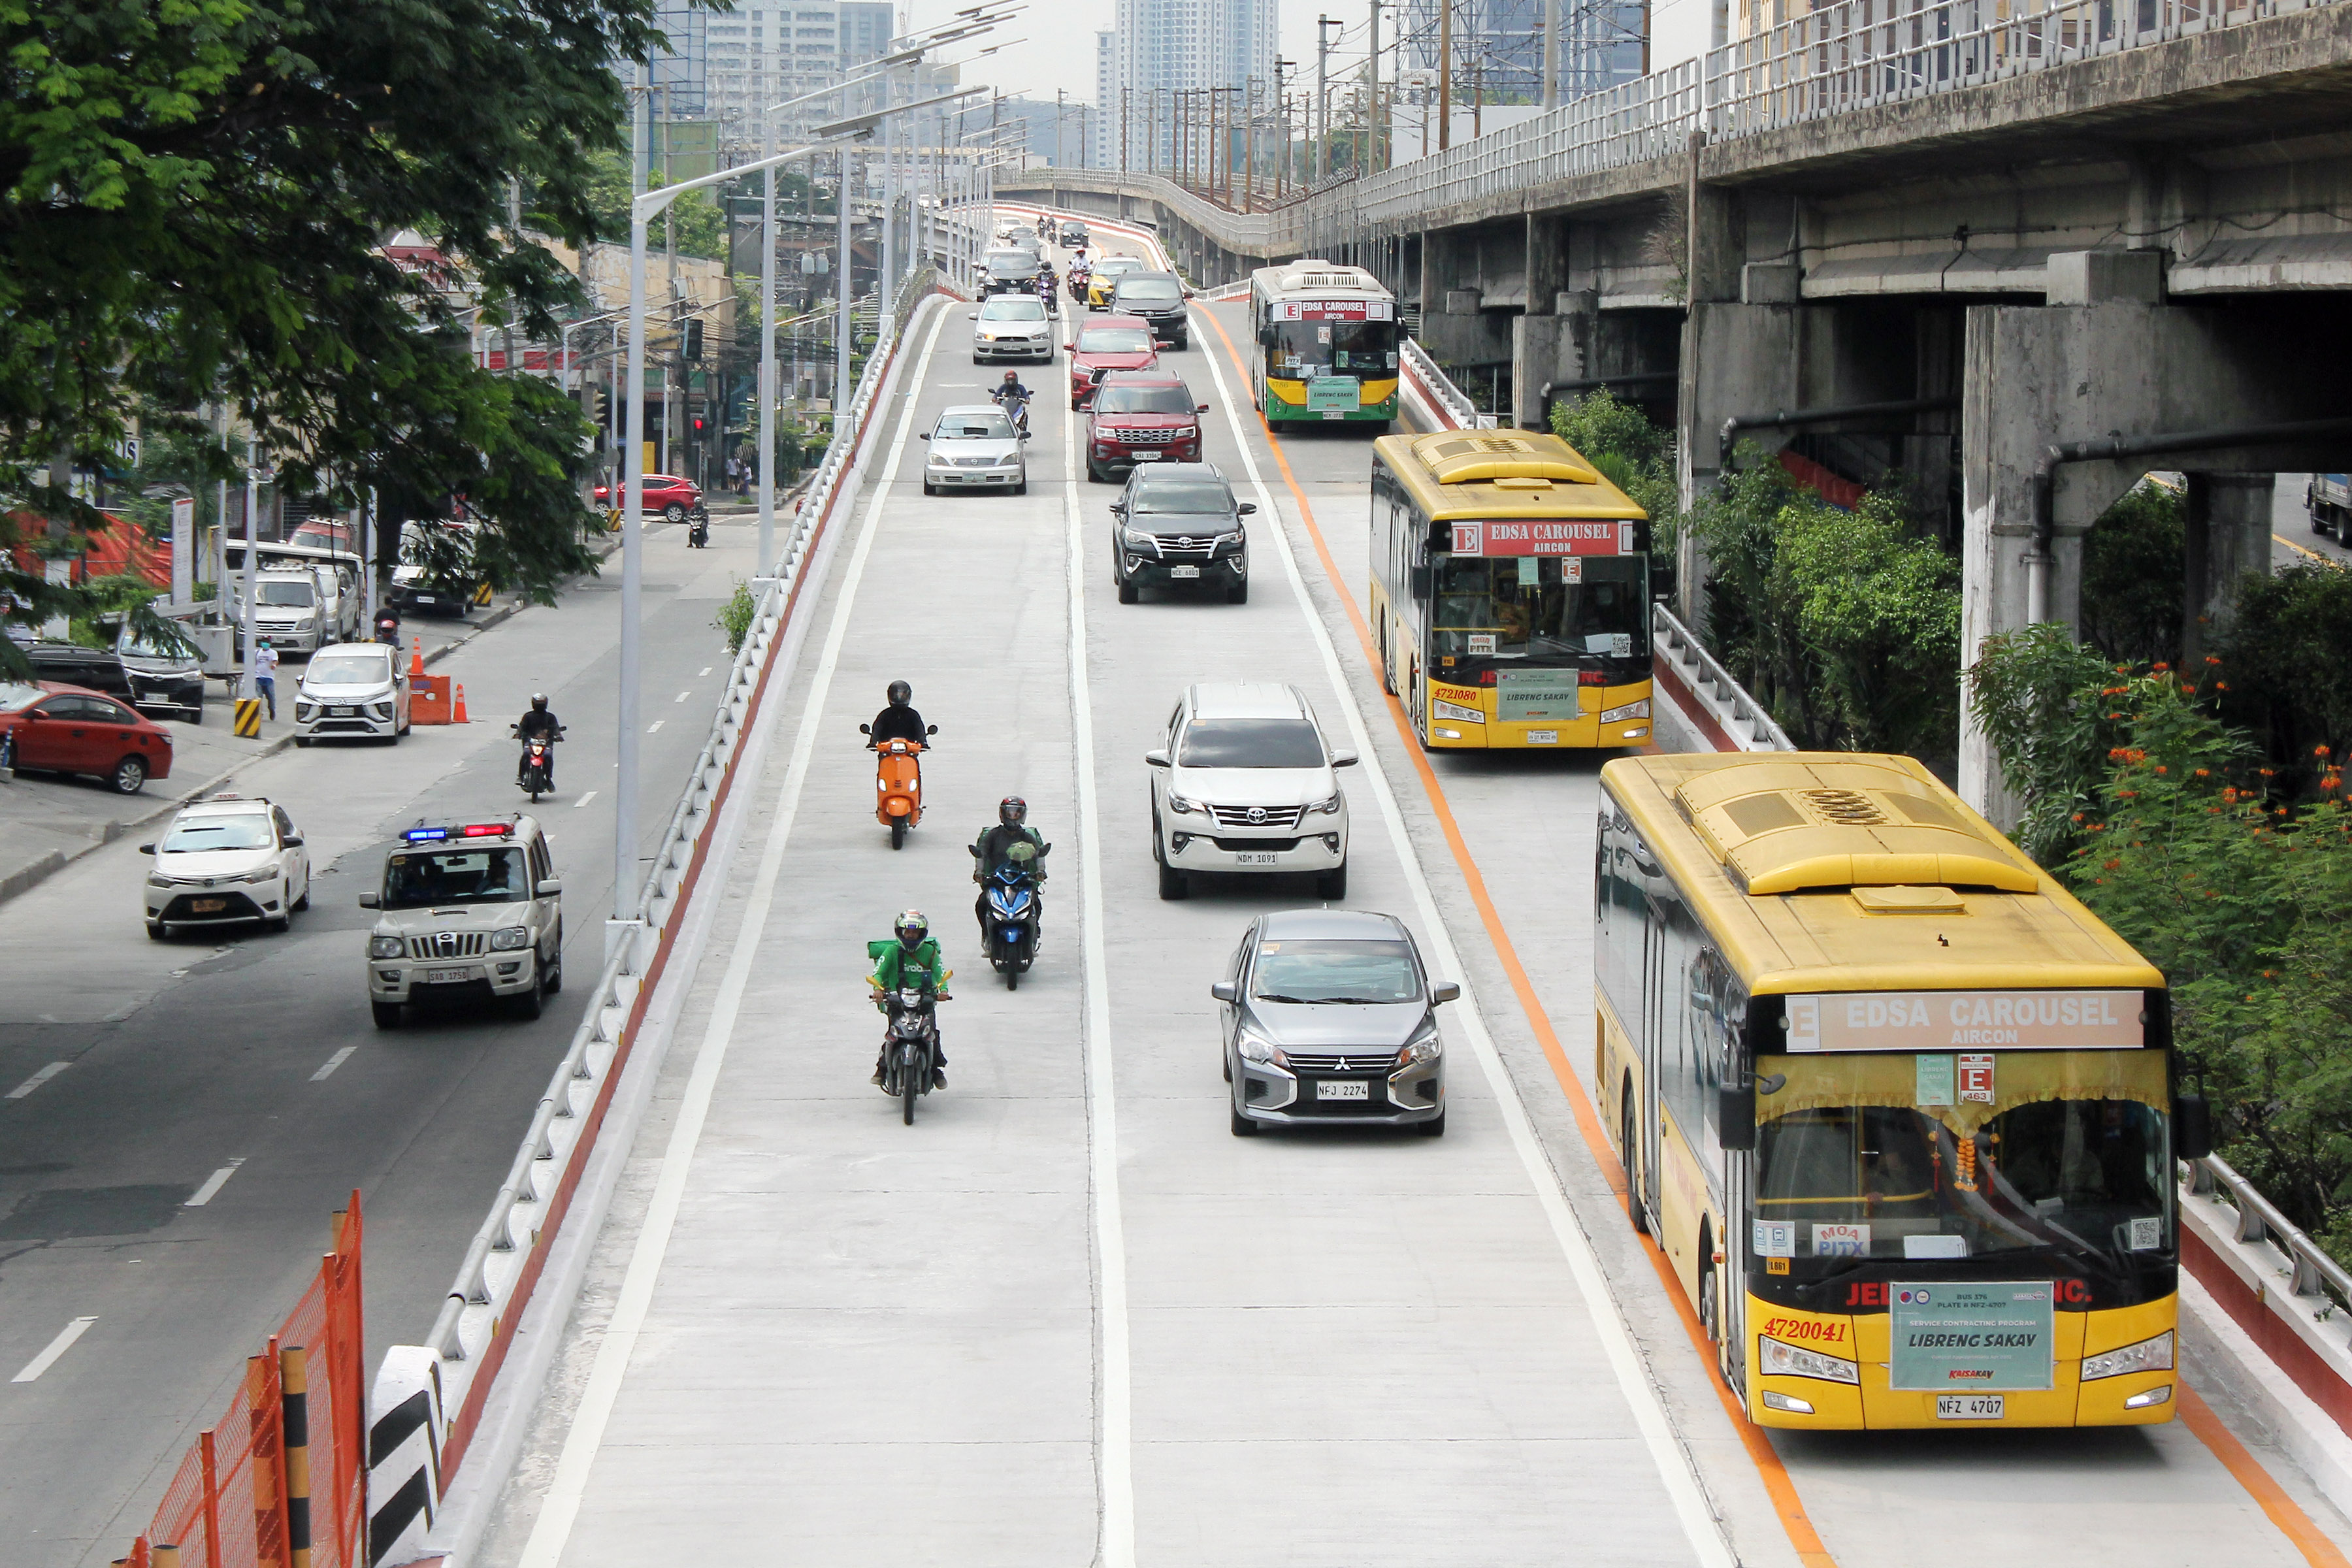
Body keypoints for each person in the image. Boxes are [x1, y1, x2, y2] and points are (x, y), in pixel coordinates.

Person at [869, 908, 949, 1086]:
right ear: (900, 932)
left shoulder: (930, 952)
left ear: (922, 934)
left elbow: (940, 972)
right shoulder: (891, 952)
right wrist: (878, 990)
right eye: (908, 932)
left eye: (915, 932)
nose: (911, 936)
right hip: (897, 1000)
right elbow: (878, 974)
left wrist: (943, 990)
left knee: (931, 1033)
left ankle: (936, 1069)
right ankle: (882, 1068)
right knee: (894, 1032)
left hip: (925, 1000)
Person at [972, 796, 1047, 943]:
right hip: (997, 880)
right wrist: (979, 872)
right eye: (1009, 813)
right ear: (1002, 814)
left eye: (1016, 813)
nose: (1013, 817)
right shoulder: (993, 835)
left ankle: (1034, 932)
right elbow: (982, 854)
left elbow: (1038, 854)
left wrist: (1040, 872)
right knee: (981, 904)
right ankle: (986, 935)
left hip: (1022, 879)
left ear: (1022, 815)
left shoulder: (1028, 837)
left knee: (1036, 904)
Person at [516, 693, 562, 787]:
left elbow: (556, 727)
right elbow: (522, 726)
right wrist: (518, 734)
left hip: (546, 742)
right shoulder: (528, 716)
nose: (539, 707)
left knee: (548, 756)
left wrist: (558, 735)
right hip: (530, 741)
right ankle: (521, 776)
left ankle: (548, 779)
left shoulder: (550, 717)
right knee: (526, 754)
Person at [867, 679, 928, 747]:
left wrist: (923, 742)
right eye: (895, 695)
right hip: (887, 750)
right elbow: (878, 728)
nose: (899, 698)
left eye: (903, 695)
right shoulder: (885, 715)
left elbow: (919, 728)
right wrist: (874, 741)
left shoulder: (913, 715)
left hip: (909, 751)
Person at [252, 637, 280, 720]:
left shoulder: (273, 653)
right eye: (264, 642)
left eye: (267, 642)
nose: (265, 644)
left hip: (269, 677)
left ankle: (272, 709)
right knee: (259, 696)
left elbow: (275, 661)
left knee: (271, 696)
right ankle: (260, 713)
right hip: (258, 677)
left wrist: (274, 665)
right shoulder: (257, 652)